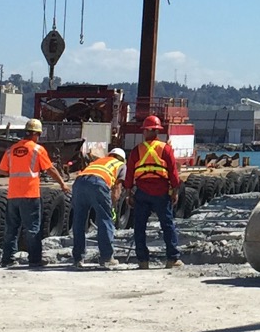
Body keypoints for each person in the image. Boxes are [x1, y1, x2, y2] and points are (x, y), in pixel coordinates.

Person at [0, 119, 67, 270]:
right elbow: (50, 169)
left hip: (13, 195)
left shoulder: (11, 150)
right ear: (36, 134)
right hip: (30, 194)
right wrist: (62, 183)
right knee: (32, 229)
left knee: (11, 229)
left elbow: (2, 170)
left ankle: (7, 259)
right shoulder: (37, 150)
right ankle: (34, 260)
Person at [127, 114, 182, 269]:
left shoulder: (137, 150)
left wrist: (128, 193)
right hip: (161, 192)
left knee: (139, 227)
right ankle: (172, 259)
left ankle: (143, 261)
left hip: (142, 192)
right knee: (167, 225)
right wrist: (175, 191)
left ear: (145, 131)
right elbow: (173, 173)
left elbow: (130, 173)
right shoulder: (166, 149)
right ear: (158, 132)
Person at [69, 145, 124, 269]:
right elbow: (117, 189)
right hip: (98, 184)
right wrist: (112, 206)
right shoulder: (120, 164)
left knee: (78, 221)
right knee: (104, 220)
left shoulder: (99, 161)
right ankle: (107, 257)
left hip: (79, 183)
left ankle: (78, 258)